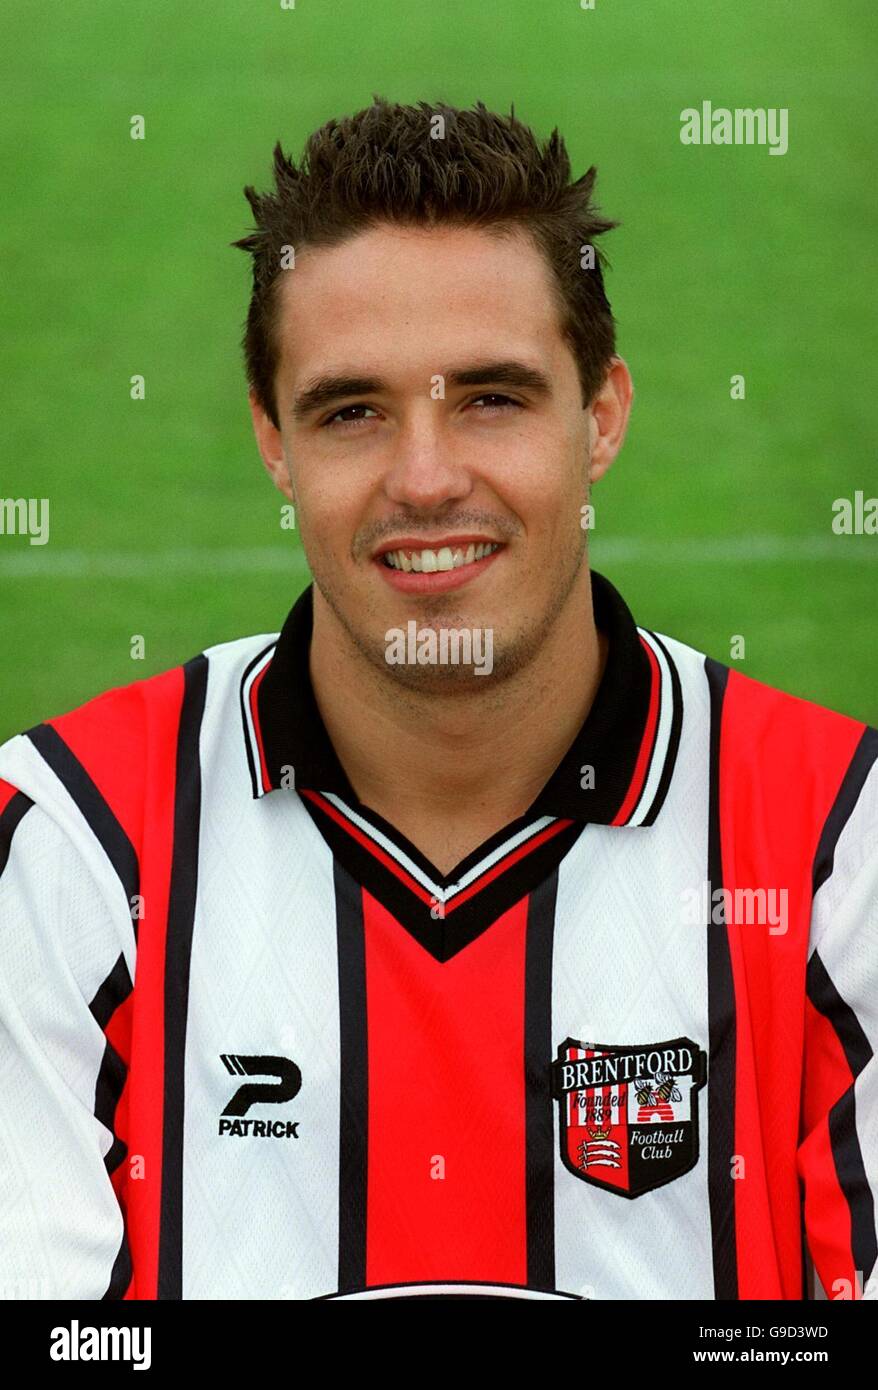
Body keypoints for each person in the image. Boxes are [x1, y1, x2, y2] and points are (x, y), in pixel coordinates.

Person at [0, 97, 875, 1302]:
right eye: (351, 410)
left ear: (601, 415)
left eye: (492, 398)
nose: (425, 478)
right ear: (273, 441)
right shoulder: (66, 851)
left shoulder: (841, 847)